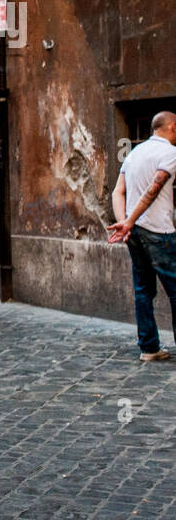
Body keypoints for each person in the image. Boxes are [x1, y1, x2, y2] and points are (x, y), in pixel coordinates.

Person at [108, 111, 176, 362]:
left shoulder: (134, 153)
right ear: (172, 127)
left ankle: (149, 348)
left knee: (143, 290)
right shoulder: (170, 153)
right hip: (159, 232)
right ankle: (150, 347)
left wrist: (125, 223)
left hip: (135, 233)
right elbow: (152, 191)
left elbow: (118, 191)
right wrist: (129, 221)